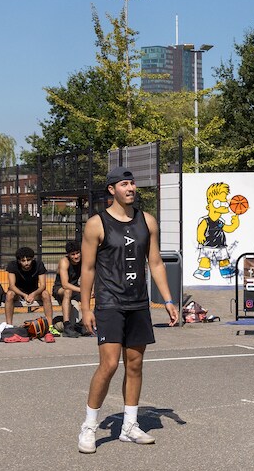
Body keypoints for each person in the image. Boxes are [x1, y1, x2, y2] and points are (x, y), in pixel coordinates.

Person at [77, 166, 179, 453]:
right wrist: (85, 307)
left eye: (132, 183)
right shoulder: (97, 224)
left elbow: (155, 262)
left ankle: (129, 426)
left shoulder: (147, 221)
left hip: (138, 303)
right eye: (124, 184)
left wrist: (168, 300)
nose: (131, 188)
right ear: (112, 190)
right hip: (109, 302)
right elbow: (87, 268)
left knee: (134, 364)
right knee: (109, 364)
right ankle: (89, 427)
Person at [3, 247, 53, 329]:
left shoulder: (39, 265)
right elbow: (12, 286)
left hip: (34, 292)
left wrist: (33, 294)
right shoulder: (12, 265)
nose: (26, 263)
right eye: (23, 261)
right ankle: (9, 326)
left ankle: (50, 326)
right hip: (18, 293)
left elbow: (43, 285)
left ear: (33, 259)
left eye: (29, 260)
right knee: (9, 294)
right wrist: (24, 295)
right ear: (19, 261)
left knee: (46, 294)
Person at [54, 241, 84, 336]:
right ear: (68, 255)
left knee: (97, 293)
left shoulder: (83, 260)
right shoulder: (64, 262)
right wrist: (83, 290)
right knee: (68, 291)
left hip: (75, 288)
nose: (76, 256)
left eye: (77, 253)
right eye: (73, 254)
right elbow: (65, 284)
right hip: (60, 289)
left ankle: (82, 323)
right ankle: (67, 325)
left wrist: (91, 290)